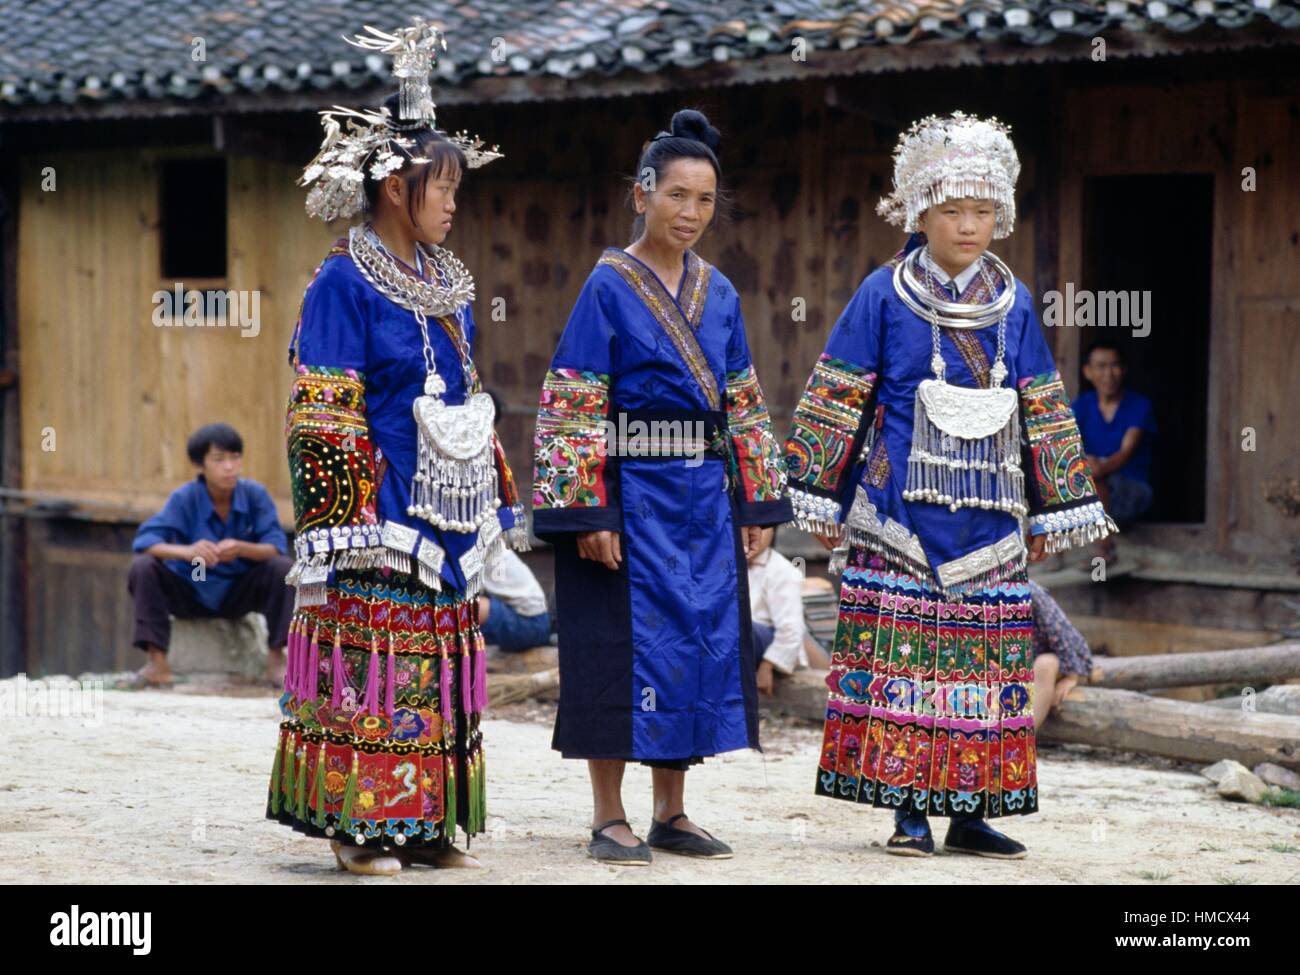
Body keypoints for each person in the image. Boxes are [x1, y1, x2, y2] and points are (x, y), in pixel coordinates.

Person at [784, 111, 1117, 859]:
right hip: (899, 508)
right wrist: (824, 500)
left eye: (983, 210)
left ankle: (971, 807)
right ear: (921, 212)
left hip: (990, 517)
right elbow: (841, 392)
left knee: (983, 665)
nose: (970, 225)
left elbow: (1039, 401)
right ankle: (907, 810)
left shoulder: (1016, 301)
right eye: (953, 210)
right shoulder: (883, 293)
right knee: (904, 662)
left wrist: (1051, 504)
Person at [267, 19, 528, 876]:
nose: (454, 202)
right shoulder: (343, 280)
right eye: (441, 187)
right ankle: (360, 824)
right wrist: (343, 520)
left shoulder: (444, 290)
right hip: (377, 511)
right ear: (393, 189)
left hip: (443, 512)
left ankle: (424, 823)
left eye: (455, 187)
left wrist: (489, 508)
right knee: (375, 664)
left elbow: (469, 402)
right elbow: (324, 411)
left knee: (438, 664)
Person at [531, 109, 791, 865]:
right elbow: (573, 397)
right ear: (642, 195)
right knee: (620, 647)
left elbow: (742, 395)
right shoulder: (607, 287)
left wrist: (755, 500)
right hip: (628, 494)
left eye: (705, 200)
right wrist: (590, 507)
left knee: (698, 647)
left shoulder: (723, 293)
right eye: (677, 195)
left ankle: (672, 810)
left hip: (703, 502)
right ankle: (609, 814)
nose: (691, 214)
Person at [127, 422, 292, 688]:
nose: (229, 467)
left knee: (282, 568)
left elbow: (275, 546)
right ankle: (157, 662)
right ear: (200, 465)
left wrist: (241, 548)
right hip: (192, 585)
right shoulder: (185, 498)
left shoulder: (254, 495)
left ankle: (276, 661)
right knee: (143, 567)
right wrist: (187, 552)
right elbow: (145, 541)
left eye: (235, 458)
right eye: (219, 459)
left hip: (238, 592)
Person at [1072, 340, 1157, 560]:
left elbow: (1125, 453)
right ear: (1088, 372)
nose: (1109, 374)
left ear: (1123, 370)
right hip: (1091, 490)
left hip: (1130, 492)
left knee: (1095, 478)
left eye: (1115, 365)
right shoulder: (1081, 406)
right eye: (1101, 366)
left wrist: (1097, 469)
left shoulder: (1139, 406)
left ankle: (1103, 548)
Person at [746, 526, 811, 695]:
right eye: (746, 529)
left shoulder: (781, 570)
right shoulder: (730, 565)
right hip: (743, 643)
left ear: (773, 532)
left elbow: (792, 628)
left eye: (762, 529)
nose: (754, 535)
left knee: (741, 626)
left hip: (766, 640)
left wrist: (767, 665)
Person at [1028, 580, 1094, 729]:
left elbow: (1061, 633)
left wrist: (1071, 675)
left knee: (1045, 665)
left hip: (1059, 657)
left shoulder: (1031, 594)